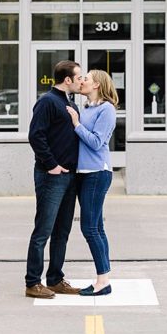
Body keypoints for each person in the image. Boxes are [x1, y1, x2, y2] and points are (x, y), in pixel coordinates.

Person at [24, 59, 85, 299]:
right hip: (52, 176)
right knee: (43, 230)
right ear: (67, 79)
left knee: (62, 231)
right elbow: (35, 135)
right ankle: (32, 282)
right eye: (79, 77)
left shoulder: (70, 103)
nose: (82, 81)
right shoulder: (47, 101)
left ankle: (56, 279)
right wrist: (51, 165)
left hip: (70, 176)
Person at [67, 69, 118, 296]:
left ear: (97, 84)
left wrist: (76, 124)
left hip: (97, 173)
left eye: (86, 78)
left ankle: (102, 282)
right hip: (84, 173)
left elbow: (97, 143)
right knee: (97, 227)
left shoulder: (106, 109)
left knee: (89, 227)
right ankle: (104, 277)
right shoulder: (87, 107)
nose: (82, 81)